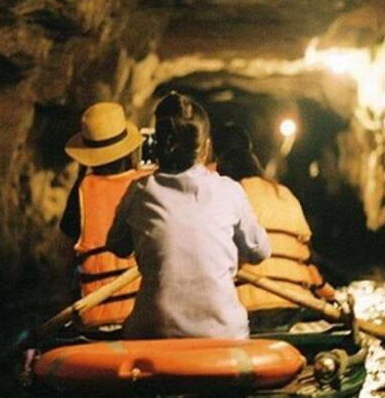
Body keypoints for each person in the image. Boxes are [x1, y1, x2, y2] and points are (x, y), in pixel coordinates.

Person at [107, 93, 271, 339]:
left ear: (157, 145)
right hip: (223, 334)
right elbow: (260, 252)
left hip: (154, 332)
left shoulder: (139, 191)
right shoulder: (229, 190)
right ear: (205, 149)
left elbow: (117, 246)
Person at [214, 123, 335, 333]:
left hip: (247, 311)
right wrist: (329, 296)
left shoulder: (223, 196)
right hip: (296, 306)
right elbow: (306, 258)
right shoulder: (285, 194)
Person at [61, 102, 149, 330]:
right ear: (129, 148)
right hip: (147, 315)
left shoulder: (81, 191)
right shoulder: (149, 183)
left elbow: (68, 242)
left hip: (96, 317)